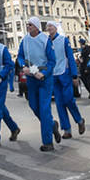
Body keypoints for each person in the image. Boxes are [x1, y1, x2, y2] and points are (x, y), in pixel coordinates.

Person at [17, 16, 57, 151]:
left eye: (30, 25)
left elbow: (52, 61)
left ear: (36, 26)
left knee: (44, 109)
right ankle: (52, 125)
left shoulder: (45, 40)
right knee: (33, 106)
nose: (28, 27)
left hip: (44, 79)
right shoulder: (25, 40)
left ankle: (48, 142)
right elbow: (20, 56)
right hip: (32, 77)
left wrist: (43, 73)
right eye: (27, 25)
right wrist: (23, 66)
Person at [46, 21, 84, 139]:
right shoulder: (46, 42)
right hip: (53, 75)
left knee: (68, 99)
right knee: (59, 103)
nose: (49, 28)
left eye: (51, 26)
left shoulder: (64, 40)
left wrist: (74, 75)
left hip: (64, 73)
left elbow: (70, 58)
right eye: (47, 26)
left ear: (55, 28)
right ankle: (67, 130)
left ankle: (79, 120)